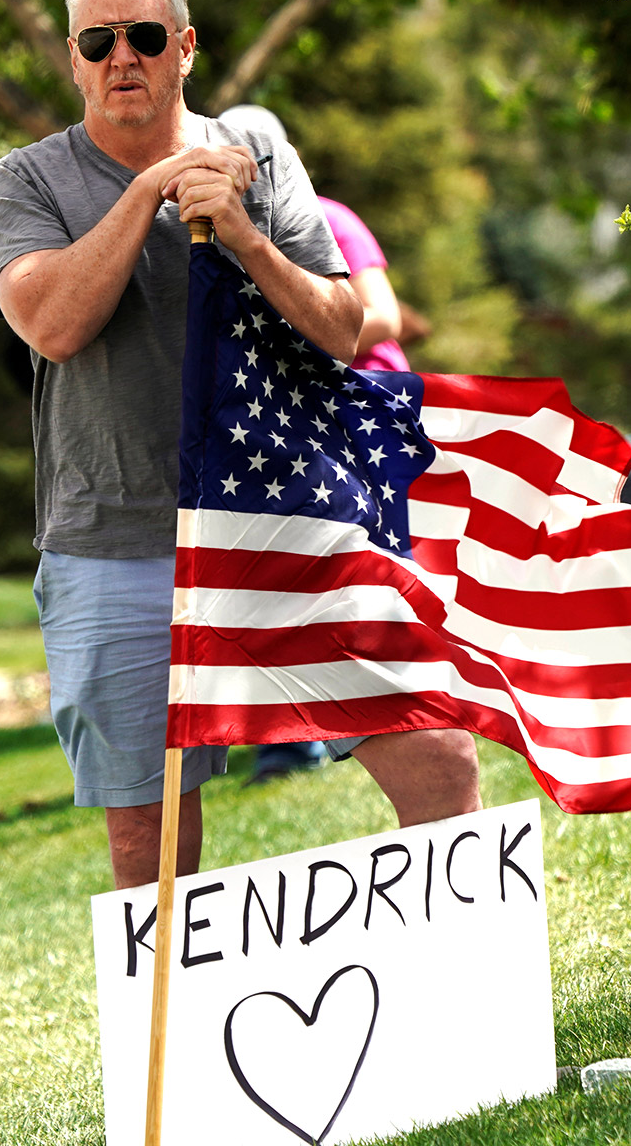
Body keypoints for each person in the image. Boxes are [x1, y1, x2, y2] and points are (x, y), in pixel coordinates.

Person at [0, 0, 480, 890]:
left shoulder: (261, 159)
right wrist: (147, 189)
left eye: (144, 35)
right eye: (98, 40)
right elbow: (52, 325)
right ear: (75, 61)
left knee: (436, 758)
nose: (121, 55)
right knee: (151, 844)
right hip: (113, 545)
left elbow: (341, 328)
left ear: (185, 47)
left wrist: (243, 232)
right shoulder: (27, 184)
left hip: (281, 521)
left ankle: (457, 1016)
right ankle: (182, 1042)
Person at [216, 106, 419, 785]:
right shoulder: (215, 234)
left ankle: (408, 708)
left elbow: (383, 315)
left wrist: (296, 342)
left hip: (364, 414)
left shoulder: (326, 215)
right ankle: (291, 735)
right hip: (294, 429)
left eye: (263, 153)